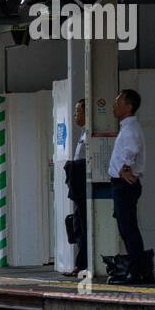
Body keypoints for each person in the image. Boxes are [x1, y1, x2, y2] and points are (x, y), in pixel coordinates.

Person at [108, 88, 153, 284]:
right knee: (127, 228)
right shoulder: (127, 127)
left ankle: (138, 272)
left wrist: (125, 167)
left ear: (128, 106)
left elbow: (132, 149)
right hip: (123, 184)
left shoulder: (130, 129)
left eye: (118, 103)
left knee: (129, 229)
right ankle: (142, 270)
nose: (114, 106)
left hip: (125, 184)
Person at [62, 98, 88, 276]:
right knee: (78, 225)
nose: (75, 115)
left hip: (85, 188)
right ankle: (81, 263)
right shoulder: (84, 133)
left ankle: (84, 264)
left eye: (78, 111)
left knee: (84, 225)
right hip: (79, 187)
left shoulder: (91, 134)